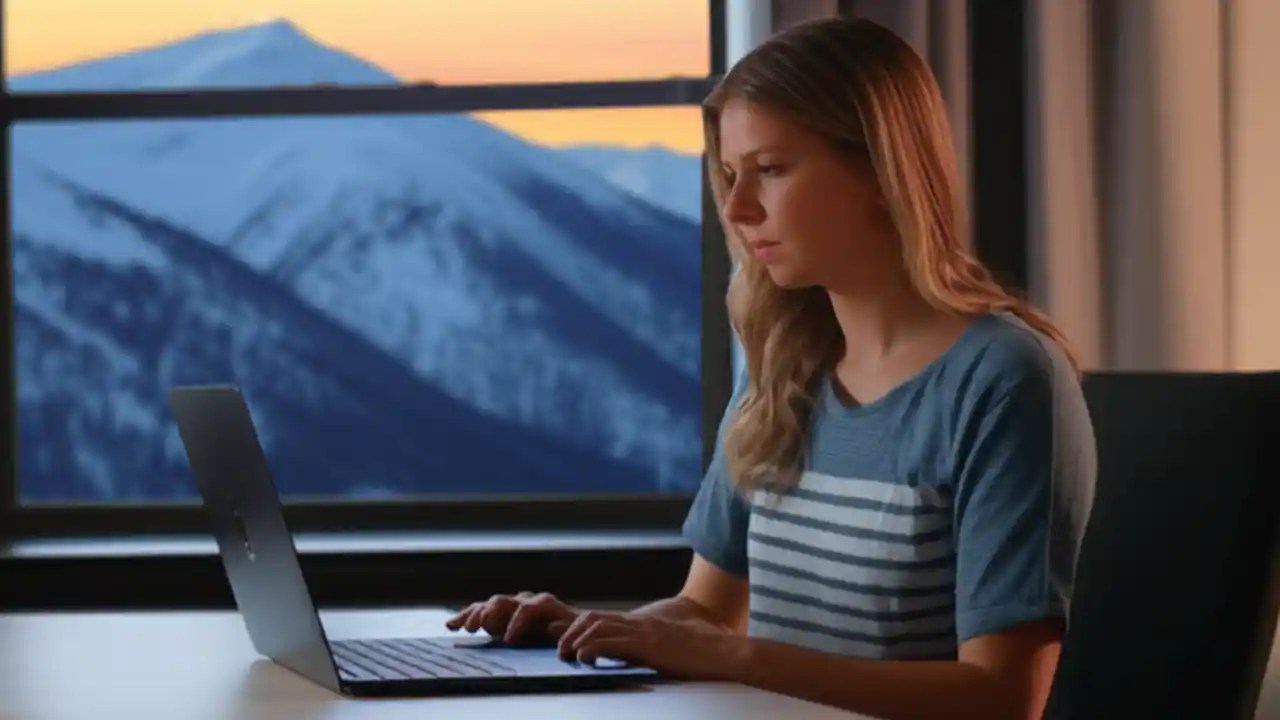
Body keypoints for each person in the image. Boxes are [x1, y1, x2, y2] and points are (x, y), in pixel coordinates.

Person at [445, 16, 1096, 720]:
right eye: (730, 176)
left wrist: (739, 658)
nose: (737, 208)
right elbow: (705, 613)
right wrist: (584, 632)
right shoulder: (784, 369)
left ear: (882, 171)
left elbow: (1003, 699)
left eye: (772, 170)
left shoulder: (1003, 380)